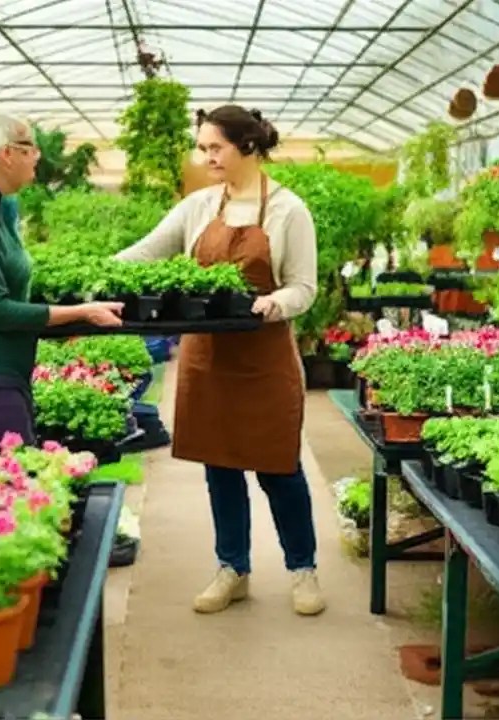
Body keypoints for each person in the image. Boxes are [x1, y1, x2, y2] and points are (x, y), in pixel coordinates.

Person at [116, 106, 324, 616]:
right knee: (220, 468)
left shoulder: (288, 210)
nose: (206, 156)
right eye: (203, 147)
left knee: (279, 467)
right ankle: (233, 568)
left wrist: (275, 303)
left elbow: (304, 287)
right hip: (206, 358)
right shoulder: (198, 206)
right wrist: (88, 279)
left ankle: (304, 570)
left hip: (264, 356)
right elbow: (147, 252)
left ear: (248, 147)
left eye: (215, 148)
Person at [0, 109, 123, 445]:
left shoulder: (0, 208)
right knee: (13, 488)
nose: (37, 155)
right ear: (6, 154)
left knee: (14, 486)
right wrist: (81, 312)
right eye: (30, 147)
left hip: (4, 372)